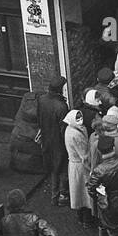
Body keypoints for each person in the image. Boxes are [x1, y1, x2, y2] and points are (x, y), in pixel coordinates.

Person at [36, 74, 70, 207]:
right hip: (58, 142)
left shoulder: (42, 99)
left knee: (53, 168)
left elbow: (39, 118)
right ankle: (62, 195)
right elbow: (63, 128)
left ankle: (54, 195)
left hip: (47, 138)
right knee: (62, 168)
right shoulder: (61, 107)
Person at [63, 108, 92, 228]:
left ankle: (80, 218)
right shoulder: (76, 134)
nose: (80, 120)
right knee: (85, 194)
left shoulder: (70, 129)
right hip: (81, 166)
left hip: (74, 165)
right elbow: (84, 155)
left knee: (77, 192)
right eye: (77, 118)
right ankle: (86, 220)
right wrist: (91, 168)